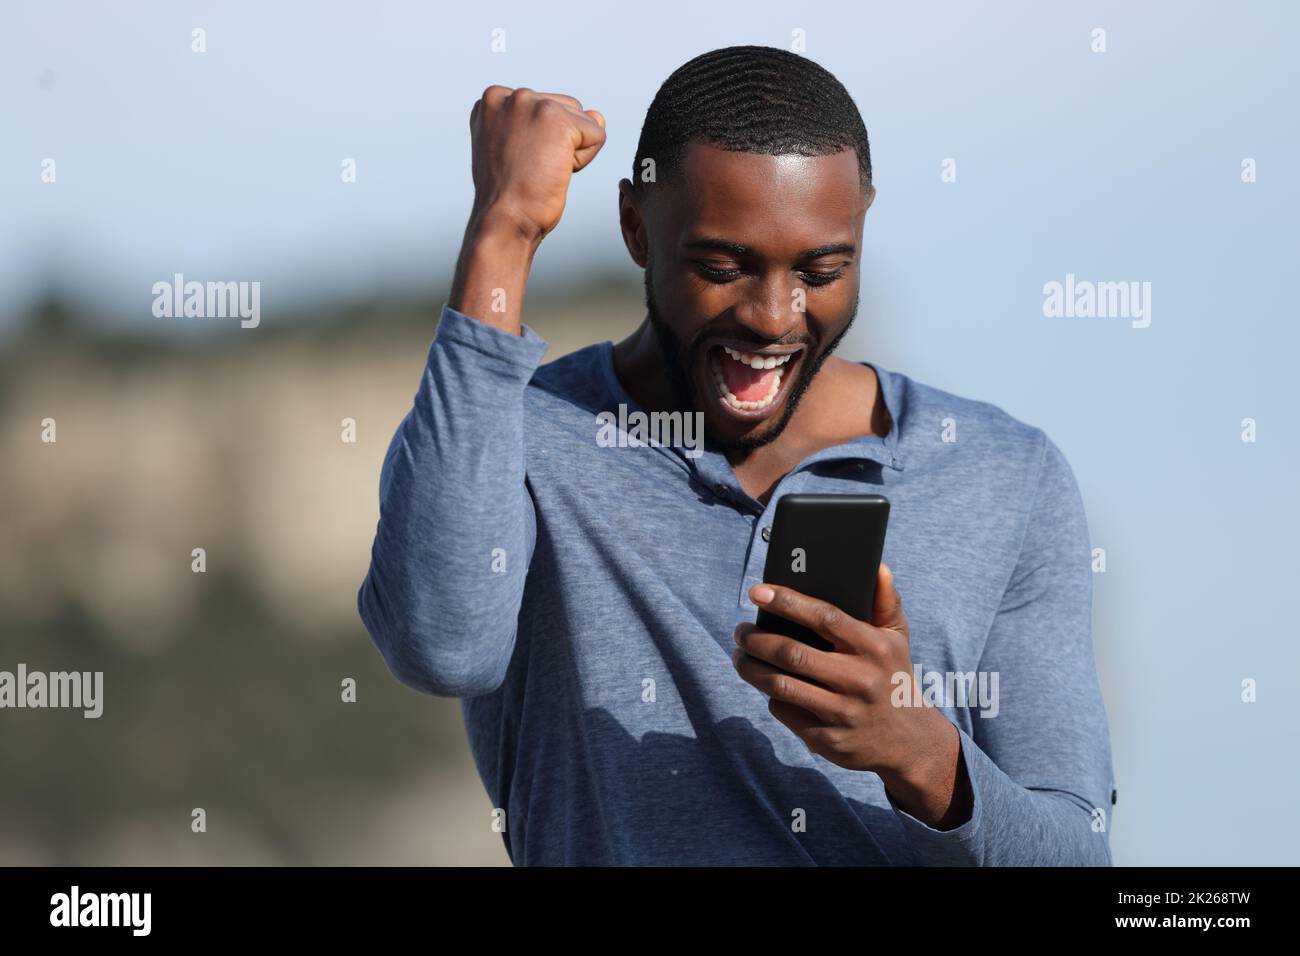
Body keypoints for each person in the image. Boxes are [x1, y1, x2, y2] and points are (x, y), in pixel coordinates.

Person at [357, 45, 1116, 865]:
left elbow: (1077, 853)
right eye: (724, 267)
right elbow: (443, 647)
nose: (773, 315)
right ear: (636, 227)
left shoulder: (1006, 475)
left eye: (822, 269)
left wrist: (919, 751)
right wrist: (504, 227)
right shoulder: (512, 434)